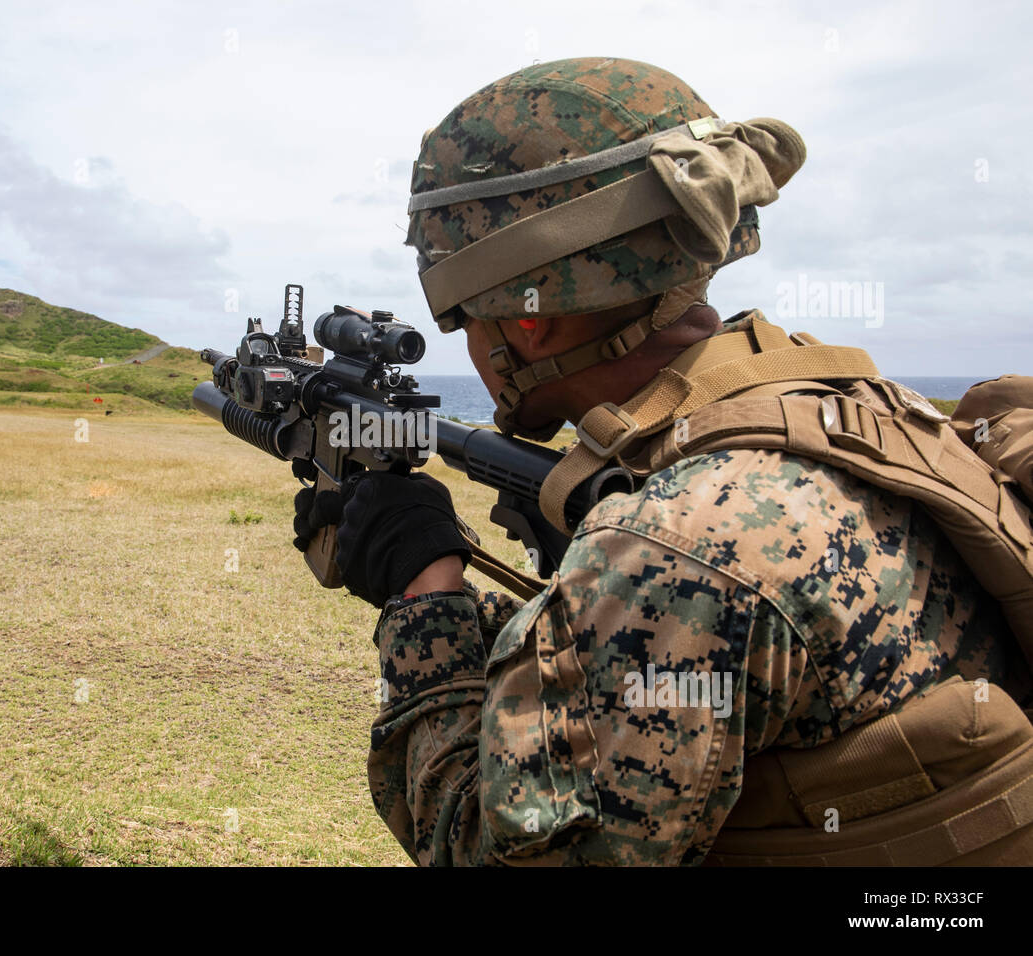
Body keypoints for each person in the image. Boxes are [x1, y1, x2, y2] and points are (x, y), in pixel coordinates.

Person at [293, 57, 1033, 865]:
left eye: (466, 315)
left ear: (528, 320)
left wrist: (423, 596)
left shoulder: (677, 547)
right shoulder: (858, 413)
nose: (470, 342)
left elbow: (493, 850)